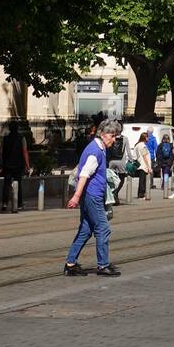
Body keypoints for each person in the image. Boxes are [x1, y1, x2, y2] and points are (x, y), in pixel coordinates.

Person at [64, 118, 121, 276]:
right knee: (103, 229)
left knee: (85, 230)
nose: (114, 139)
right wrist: (76, 197)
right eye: (112, 136)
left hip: (91, 195)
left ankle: (70, 264)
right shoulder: (95, 151)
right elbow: (84, 175)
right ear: (103, 134)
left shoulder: (98, 148)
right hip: (92, 196)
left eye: (115, 136)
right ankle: (103, 265)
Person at [1, 118, 30, 211]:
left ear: (9, 128)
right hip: (18, 164)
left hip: (7, 164)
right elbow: (25, 151)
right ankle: (19, 203)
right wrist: (27, 165)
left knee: (6, 184)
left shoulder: (5, 138)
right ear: (17, 128)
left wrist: (1, 164)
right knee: (18, 183)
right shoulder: (22, 138)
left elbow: (2, 152)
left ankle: (5, 203)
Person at [134, 131, 152, 199]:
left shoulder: (138, 145)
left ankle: (140, 194)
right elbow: (144, 156)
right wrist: (148, 166)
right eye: (147, 137)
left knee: (142, 180)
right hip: (143, 165)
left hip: (140, 164)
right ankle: (141, 194)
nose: (148, 138)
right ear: (145, 138)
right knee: (142, 181)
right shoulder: (142, 145)